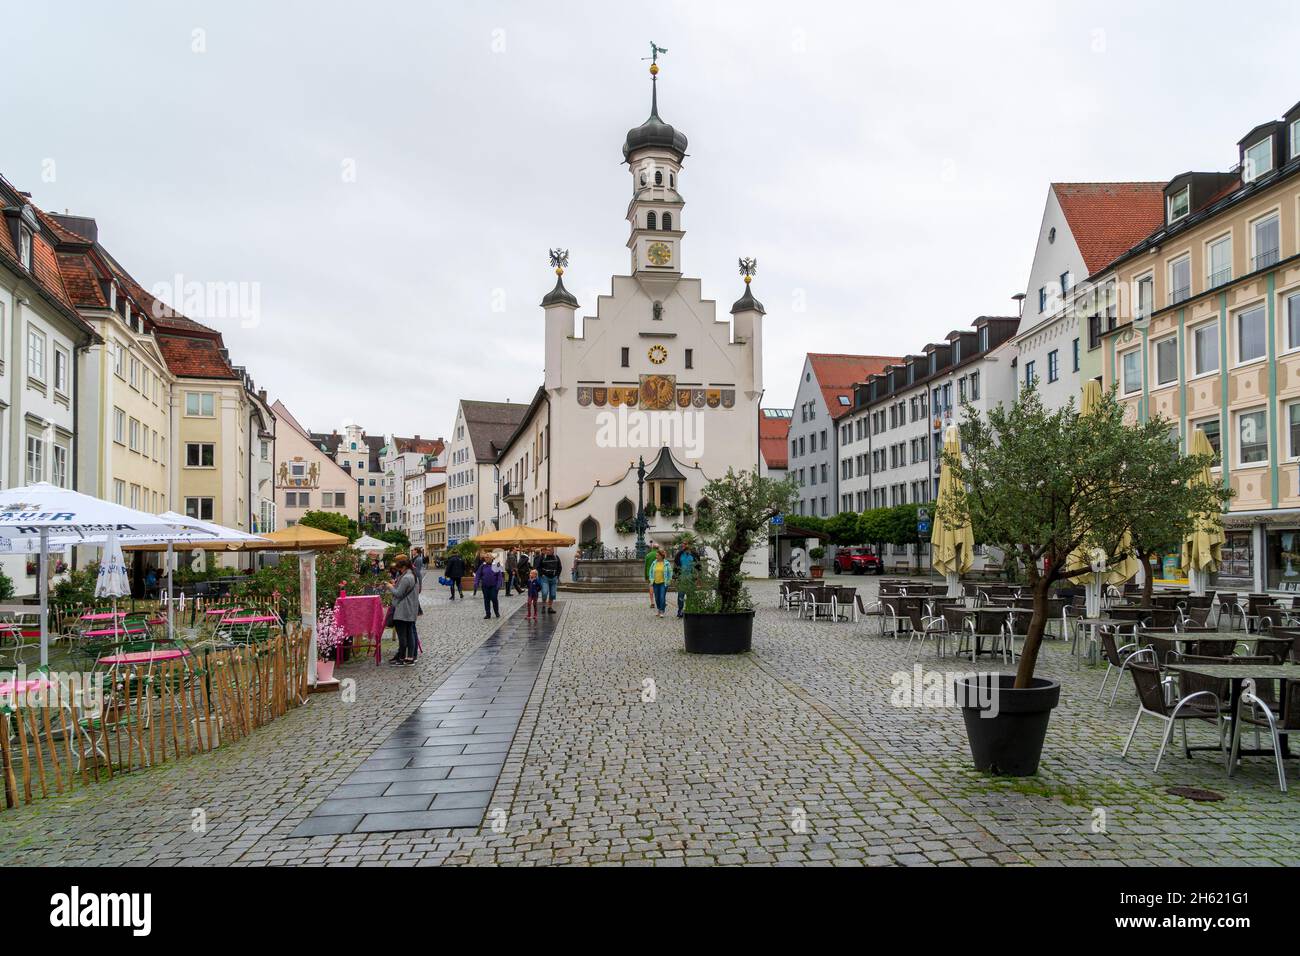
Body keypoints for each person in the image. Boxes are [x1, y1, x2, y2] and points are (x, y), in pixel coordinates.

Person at [388, 555, 420, 665]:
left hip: (403, 610)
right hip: (411, 609)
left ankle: (401, 658)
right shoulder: (413, 575)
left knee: (403, 636)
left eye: (400, 569)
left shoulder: (406, 577)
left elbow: (398, 593)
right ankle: (410, 657)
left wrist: (390, 586)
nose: (399, 571)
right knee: (410, 634)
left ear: (405, 567)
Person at [475, 552, 502, 619]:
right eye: (486, 558)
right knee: (486, 600)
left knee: (494, 598)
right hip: (485, 586)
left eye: (488, 557)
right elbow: (478, 575)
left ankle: (496, 612)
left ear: (492, 558)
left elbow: (499, 576)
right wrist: (476, 582)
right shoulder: (482, 566)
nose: (487, 559)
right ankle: (488, 614)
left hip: (494, 586)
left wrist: (498, 585)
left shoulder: (496, 565)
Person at [674, 544, 697, 618]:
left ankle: (689, 610)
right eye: (684, 546)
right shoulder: (679, 555)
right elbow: (676, 566)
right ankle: (680, 610)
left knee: (691, 595)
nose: (686, 548)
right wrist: (675, 577)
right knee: (681, 595)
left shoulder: (694, 555)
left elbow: (698, 566)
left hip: (691, 578)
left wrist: (697, 577)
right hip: (682, 578)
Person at [649, 547, 673, 618]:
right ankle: (659, 609)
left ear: (661, 556)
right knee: (657, 597)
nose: (656, 556)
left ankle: (662, 611)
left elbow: (670, 572)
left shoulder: (666, 563)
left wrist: (669, 580)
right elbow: (650, 572)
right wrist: (651, 580)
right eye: (656, 555)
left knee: (662, 597)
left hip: (663, 582)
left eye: (657, 555)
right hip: (655, 582)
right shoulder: (654, 563)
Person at [538, 547, 561, 614]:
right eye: (547, 550)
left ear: (553, 551)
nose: (548, 551)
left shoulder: (556, 557)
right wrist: (541, 574)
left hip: (553, 578)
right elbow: (538, 567)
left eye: (549, 550)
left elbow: (560, 567)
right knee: (544, 593)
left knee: (553, 594)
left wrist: (557, 576)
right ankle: (543, 606)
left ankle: (550, 608)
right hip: (545, 578)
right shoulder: (543, 557)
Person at [644, 546, 658, 611]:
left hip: (649, 573)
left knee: (651, 587)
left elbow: (645, 565)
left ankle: (652, 602)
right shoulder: (659, 554)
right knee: (659, 587)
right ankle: (661, 601)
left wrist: (645, 576)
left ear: (652, 548)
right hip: (658, 572)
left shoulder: (648, 555)